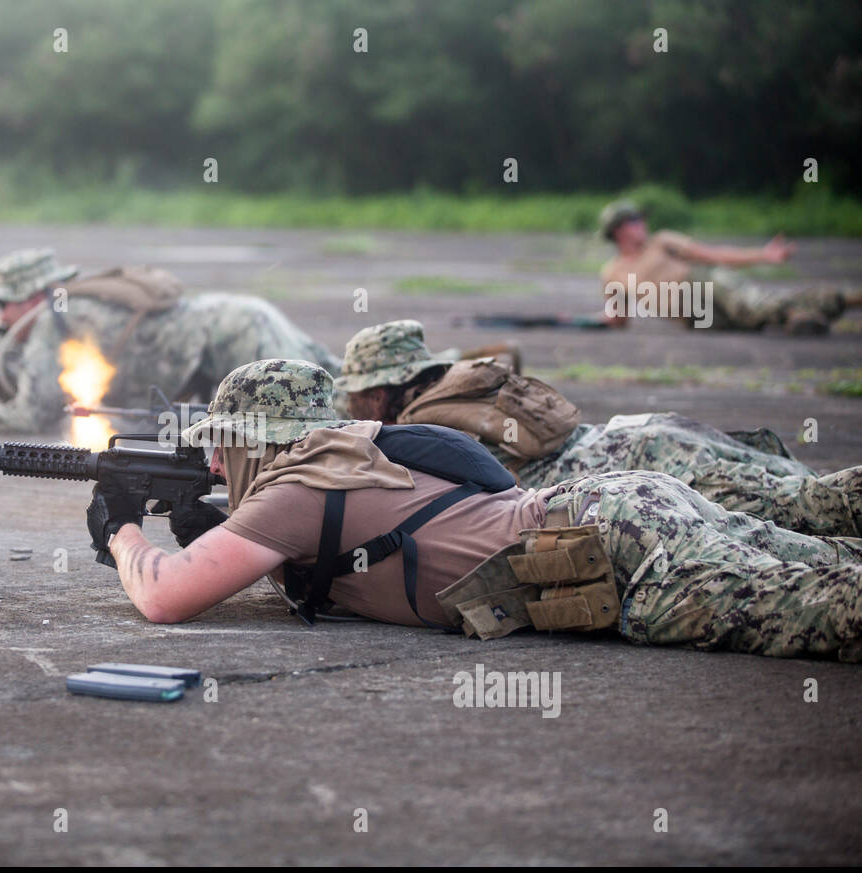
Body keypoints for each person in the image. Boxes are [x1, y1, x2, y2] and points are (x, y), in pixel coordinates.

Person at [86, 359, 862, 662]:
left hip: (603, 550)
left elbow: (165, 596)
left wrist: (122, 528)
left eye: (224, 444)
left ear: (261, 438)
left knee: (829, 611)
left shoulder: (294, 491)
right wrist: (217, 524)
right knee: (833, 561)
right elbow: (343, 545)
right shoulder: (347, 448)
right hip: (615, 505)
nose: (215, 461)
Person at [335, 320, 861, 538]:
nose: (353, 403)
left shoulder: (421, 423)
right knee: (807, 490)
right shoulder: (457, 379)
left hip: (654, 471)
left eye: (357, 393)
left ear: (380, 391)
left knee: (812, 506)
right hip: (652, 435)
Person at [0, 248, 342, 432]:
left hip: (230, 334)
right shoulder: (75, 305)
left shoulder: (51, 319)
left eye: (5, 302)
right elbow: (50, 393)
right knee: (342, 383)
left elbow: (36, 414)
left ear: (33, 296)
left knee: (325, 415)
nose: (2, 315)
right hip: (237, 317)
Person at [598, 199, 861, 333]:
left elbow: (714, 255)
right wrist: (593, 321)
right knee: (754, 320)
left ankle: (833, 303)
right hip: (692, 316)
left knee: (754, 306)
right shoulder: (611, 273)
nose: (642, 224)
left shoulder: (661, 241)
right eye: (634, 220)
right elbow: (619, 319)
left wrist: (762, 255)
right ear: (618, 230)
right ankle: (809, 312)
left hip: (703, 282)